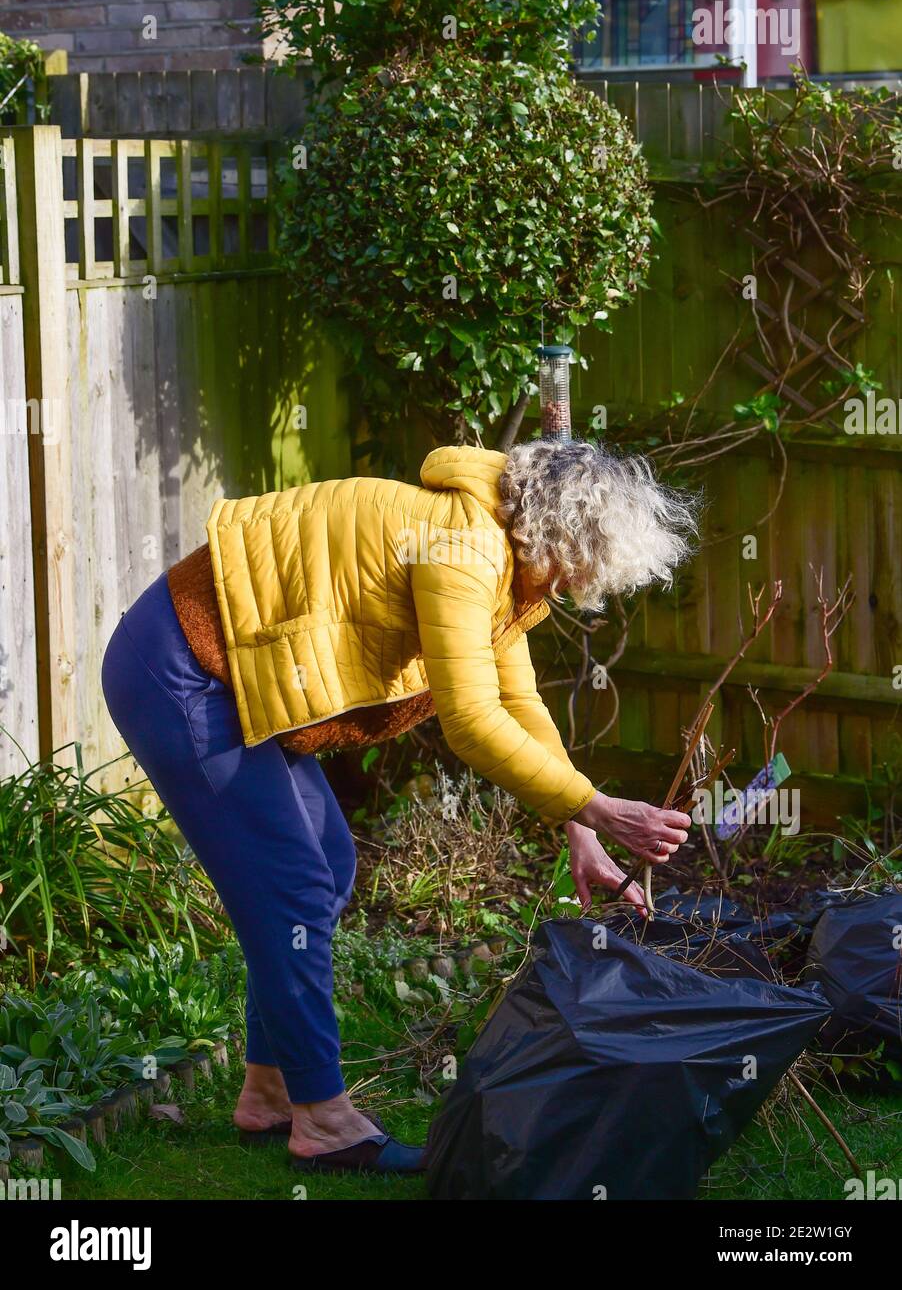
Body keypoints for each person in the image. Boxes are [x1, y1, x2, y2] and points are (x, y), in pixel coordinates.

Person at [101, 439, 697, 1175]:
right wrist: (604, 806)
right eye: (589, 563)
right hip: (184, 668)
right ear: (567, 535)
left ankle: (271, 1089)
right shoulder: (461, 550)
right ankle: (321, 1119)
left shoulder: (500, 567)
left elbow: (518, 702)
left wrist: (580, 827)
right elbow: (472, 723)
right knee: (293, 889)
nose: (584, 585)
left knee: (324, 864)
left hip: (239, 679)